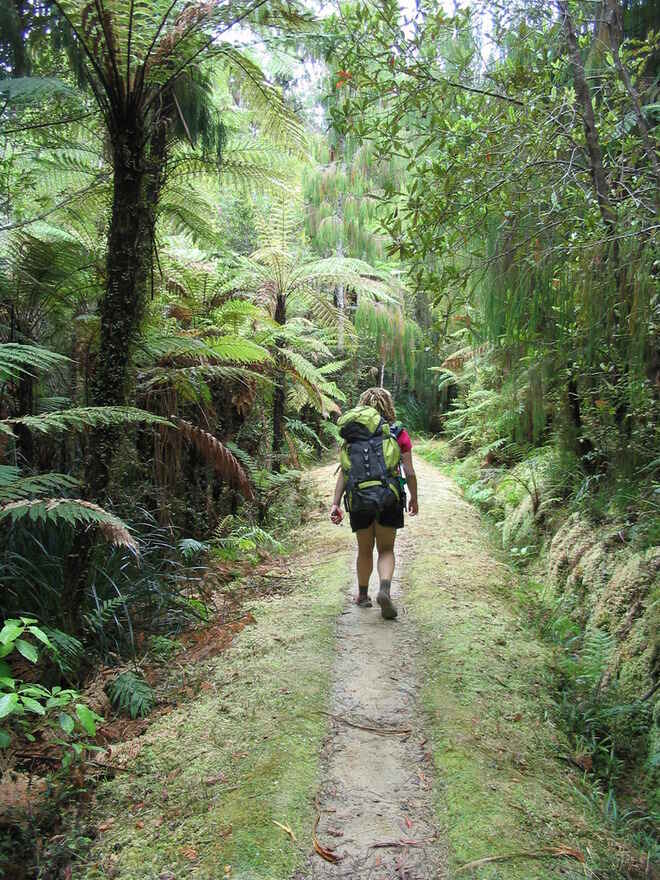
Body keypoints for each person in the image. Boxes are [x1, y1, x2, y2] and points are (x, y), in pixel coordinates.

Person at [329, 387, 419, 620]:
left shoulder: (352, 435)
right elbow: (409, 471)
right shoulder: (398, 432)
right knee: (386, 549)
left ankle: (362, 595)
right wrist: (414, 498)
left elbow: (344, 472)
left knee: (365, 549)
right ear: (388, 405)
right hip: (389, 497)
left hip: (358, 499)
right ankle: (385, 589)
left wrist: (335, 503)